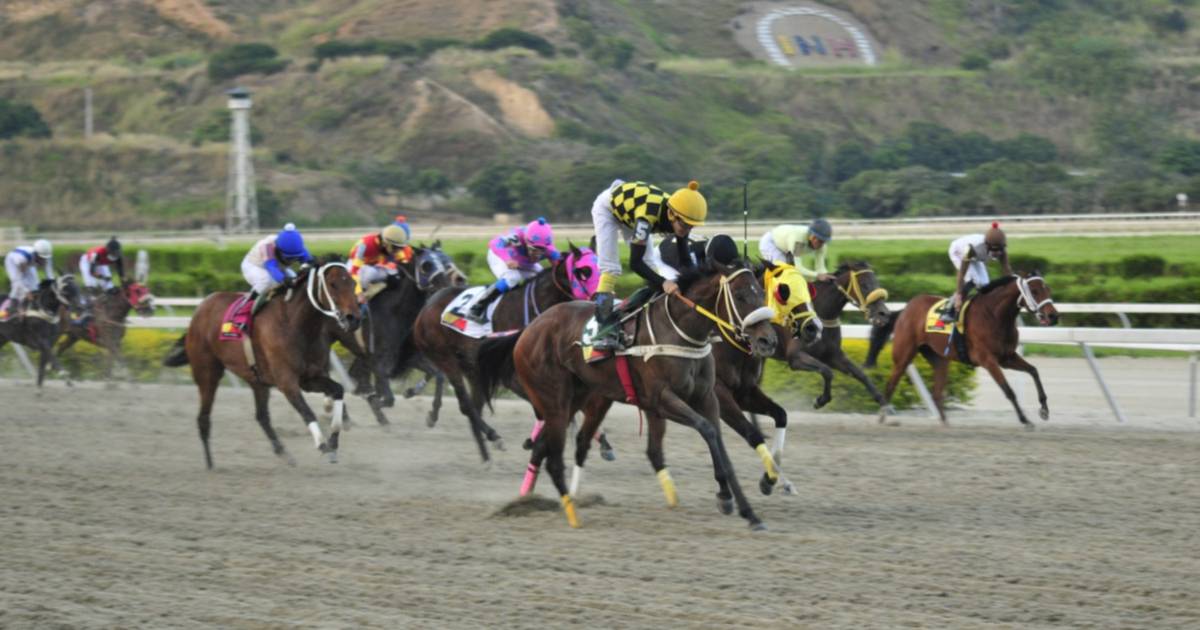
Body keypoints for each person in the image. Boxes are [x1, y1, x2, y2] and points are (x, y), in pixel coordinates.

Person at [590, 178, 707, 351]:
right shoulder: (647, 218)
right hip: (608, 209)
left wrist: (699, 284)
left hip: (632, 212)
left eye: (692, 227)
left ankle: (651, 316)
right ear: (672, 215)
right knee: (611, 268)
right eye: (684, 225)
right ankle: (603, 329)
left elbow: (685, 261)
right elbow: (635, 263)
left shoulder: (680, 217)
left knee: (652, 266)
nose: (687, 230)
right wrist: (664, 282)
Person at [465, 217, 561, 323]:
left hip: (524, 261)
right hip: (501, 256)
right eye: (533, 250)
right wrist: (507, 259)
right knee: (512, 277)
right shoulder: (517, 237)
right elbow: (494, 243)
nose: (537, 255)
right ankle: (478, 307)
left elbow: (560, 267)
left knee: (542, 279)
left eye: (541, 251)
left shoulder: (551, 250)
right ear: (525, 240)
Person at [241, 223, 315, 315]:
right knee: (266, 281)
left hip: (276, 266)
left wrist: (311, 265)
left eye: (293, 258)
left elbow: (309, 261)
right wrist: (283, 279)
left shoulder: (298, 248)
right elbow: (271, 267)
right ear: (278, 249)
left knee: (295, 279)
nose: (291, 260)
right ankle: (246, 306)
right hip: (254, 266)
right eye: (288, 258)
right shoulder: (267, 246)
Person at [947, 221, 1011, 317]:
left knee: (985, 284)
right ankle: (950, 308)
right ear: (987, 245)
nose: (996, 253)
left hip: (975, 258)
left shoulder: (1002, 250)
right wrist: (959, 295)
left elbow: (1007, 270)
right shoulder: (973, 248)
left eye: (999, 250)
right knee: (974, 280)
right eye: (993, 250)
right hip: (958, 252)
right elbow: (962, 273)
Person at [348, 215, 413, 299]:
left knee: (394, 273)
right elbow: (354, 272)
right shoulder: (365, 246)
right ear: (386, 244)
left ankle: (373, 291)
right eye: (396, 248)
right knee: (370, 273)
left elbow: (403, 261)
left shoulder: (390, 247)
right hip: (354, 267)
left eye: (400, 248)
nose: (398, 251)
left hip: (372, 267)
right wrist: (358, 292)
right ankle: (359, 296)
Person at [758, 219, 835, 283]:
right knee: (783, 272)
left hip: (787, 246)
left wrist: (826, 276)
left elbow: (820, 267)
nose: (822, 245)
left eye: (824, 241)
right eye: (820, 241)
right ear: (812, 237)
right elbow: (797, 267)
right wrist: (817, 275)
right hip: (771, 243)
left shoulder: (822, 245)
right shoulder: (799, 241)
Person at [1, 239, 54, 320]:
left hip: (29, 262)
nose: (43, 261)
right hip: (13, 262)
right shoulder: (22, 259)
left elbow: (49, 275)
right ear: (36, 254)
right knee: (17, 286)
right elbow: (19, 279)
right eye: (41, 258)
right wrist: (26, 292)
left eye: (45, 259)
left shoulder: (47, 256)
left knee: (35, 285)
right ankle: (9, 309)